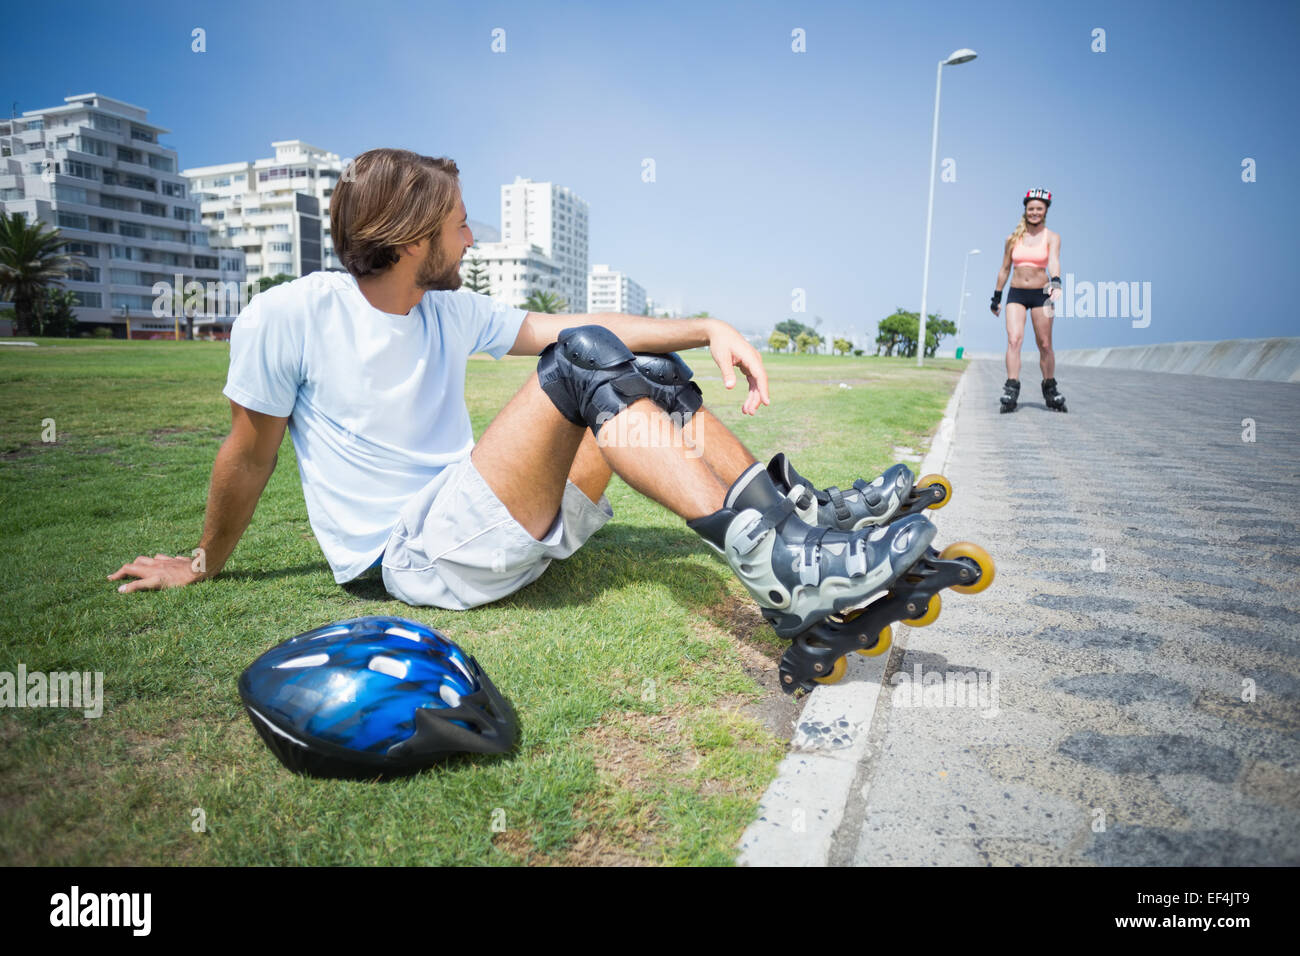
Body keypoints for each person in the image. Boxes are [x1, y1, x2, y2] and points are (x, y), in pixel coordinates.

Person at [109, 148, 972, 692]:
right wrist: (201, 561)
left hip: (490, 520)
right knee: (584, 362)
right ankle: (781, 573)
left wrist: (707, 326)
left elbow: (589, 333)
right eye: (457, 225)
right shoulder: (288, 316)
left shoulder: (446, 312)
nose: (471, 239)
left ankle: (800, 528)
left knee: (648, 370)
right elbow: (247, 455)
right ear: (411, 237)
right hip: (417, 556)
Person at [989, 188, 1067, 412]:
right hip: (1016, 293)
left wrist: (1056, 280)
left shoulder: (1052, 237)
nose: (1034, 212)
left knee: (1044, 344)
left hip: (1041, 294)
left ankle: (1050, 389)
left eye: (1039, 209)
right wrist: (996, 296)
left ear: (1045, 211)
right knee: (1014, 340)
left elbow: (1053, 261)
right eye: (1031, 208)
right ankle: (1011, 388)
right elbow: (1004, 269)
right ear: (1025, 210)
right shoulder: (1012, 239)